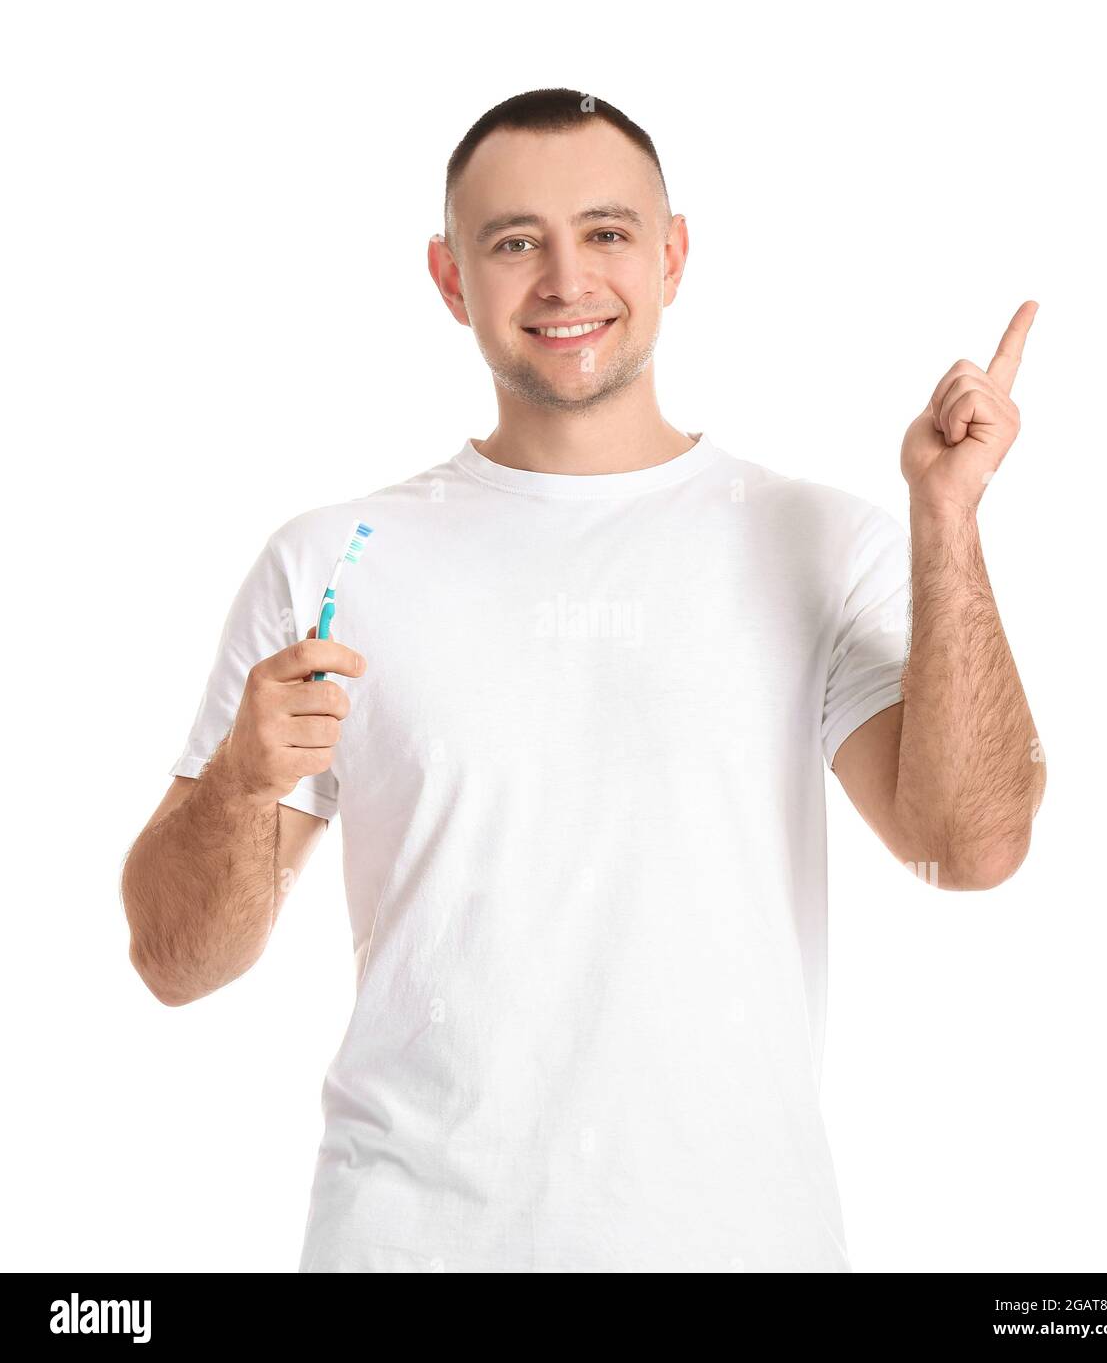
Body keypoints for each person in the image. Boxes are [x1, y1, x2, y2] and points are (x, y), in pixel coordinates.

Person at [120, 88, 1046, 1273]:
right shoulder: (334, 560)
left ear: (671, 257)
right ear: (450, 280)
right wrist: (242, 786)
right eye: (514, 243)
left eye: (606, 232)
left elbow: (969, 849)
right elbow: (174, 963)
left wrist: (948, 521)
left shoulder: (820, 540)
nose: (565, 279)